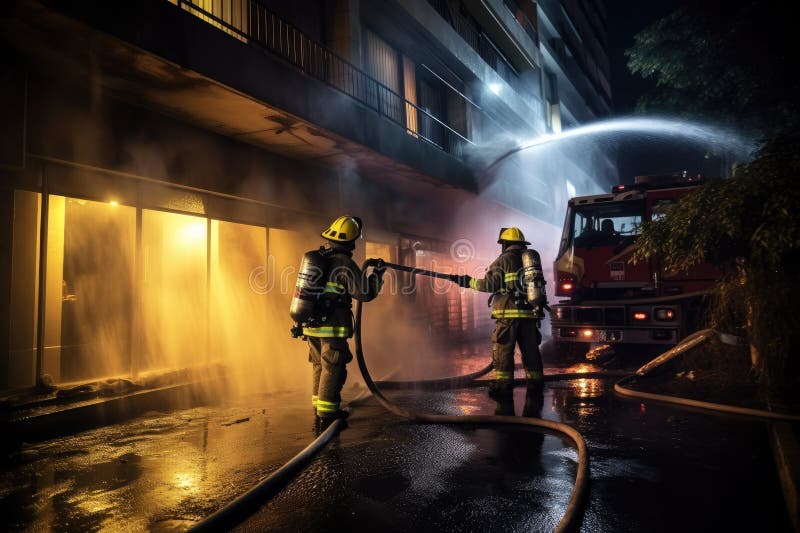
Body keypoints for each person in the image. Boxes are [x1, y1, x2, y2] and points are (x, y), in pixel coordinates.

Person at [303, 215, 384, 426]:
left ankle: (318, 405)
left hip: (311, 325)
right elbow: (365, 293)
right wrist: (377, 275)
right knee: (333, 367)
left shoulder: (320, 258)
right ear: (351, 242)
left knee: (319, 366)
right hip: (331, 327)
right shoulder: (344, 264)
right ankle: (327, 413)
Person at [457, 227, 546, 398]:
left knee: (504, 351)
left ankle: (503, 387)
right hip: (529, 314)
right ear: (522, 244)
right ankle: (536, 384)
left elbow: (490, 285)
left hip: (508, 314)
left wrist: (468, 282)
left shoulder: (503, 260)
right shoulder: (529, 260)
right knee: (531, 351)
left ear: (505, 244)